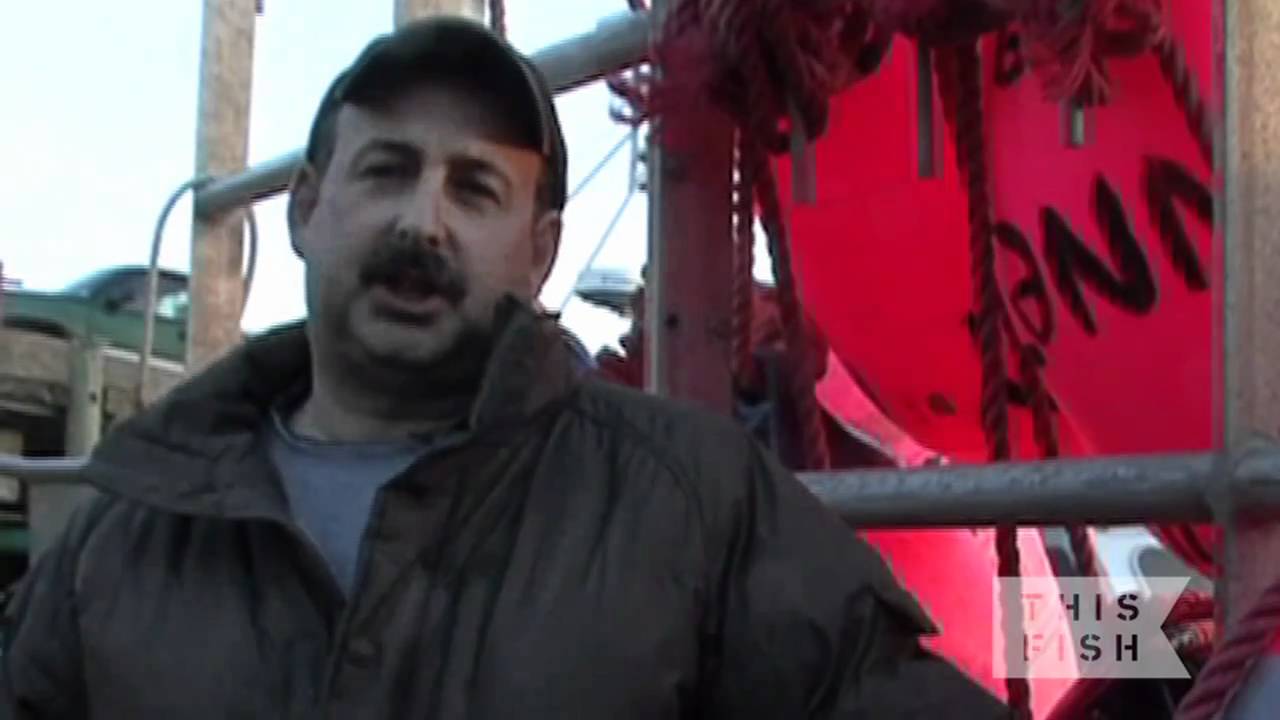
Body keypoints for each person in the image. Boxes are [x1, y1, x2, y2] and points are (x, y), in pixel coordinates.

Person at [0, 17, 1006, 719]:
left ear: (538, 253)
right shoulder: (124, 536)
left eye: (474, 188)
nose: (420, 220)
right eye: (386, 170)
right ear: (305, 208)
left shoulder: (691, 507)